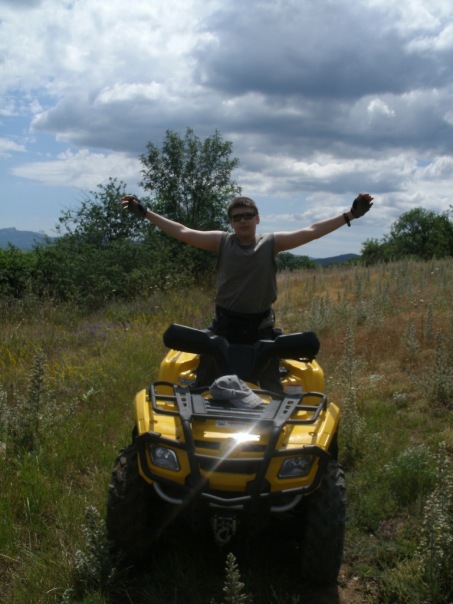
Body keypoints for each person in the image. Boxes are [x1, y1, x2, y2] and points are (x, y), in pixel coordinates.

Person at [122, 192, 373, 390]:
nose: (243, 220)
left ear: (257, 219)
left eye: (248, 215)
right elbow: (183, 232)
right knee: (203, 387)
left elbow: (311, 232)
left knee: (272, 391)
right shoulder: (221, 241)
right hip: (224, 327)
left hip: (261, 329)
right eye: (237, 217)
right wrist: (146, 213)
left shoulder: (271, 243)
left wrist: (350, 215)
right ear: (231, 222)